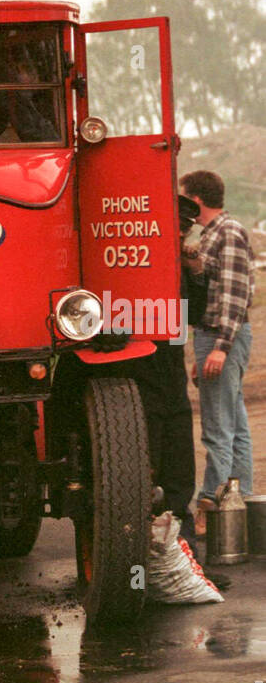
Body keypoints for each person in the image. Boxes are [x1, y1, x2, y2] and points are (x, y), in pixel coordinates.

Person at [181, 170, 256, 529]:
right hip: (214, 336)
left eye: (184, 199)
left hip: (222, 334)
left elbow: (233, 295)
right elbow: (210, 283)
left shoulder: (229, 232)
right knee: (236, 423)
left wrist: (219, 348)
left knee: (217, 426)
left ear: (196, 200)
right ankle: (243, 508)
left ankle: (209, 503)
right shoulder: (213, 235)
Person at [131, 194, 202, 550]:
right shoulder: (134, 263)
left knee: (179, 473)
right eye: (180, 229)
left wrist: (194, 268)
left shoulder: (176, 265)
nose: (183, 236)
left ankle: (183, 554)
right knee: (145, 472)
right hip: (141, 382)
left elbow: (196, 314)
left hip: (171, 380)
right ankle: (143, 556)